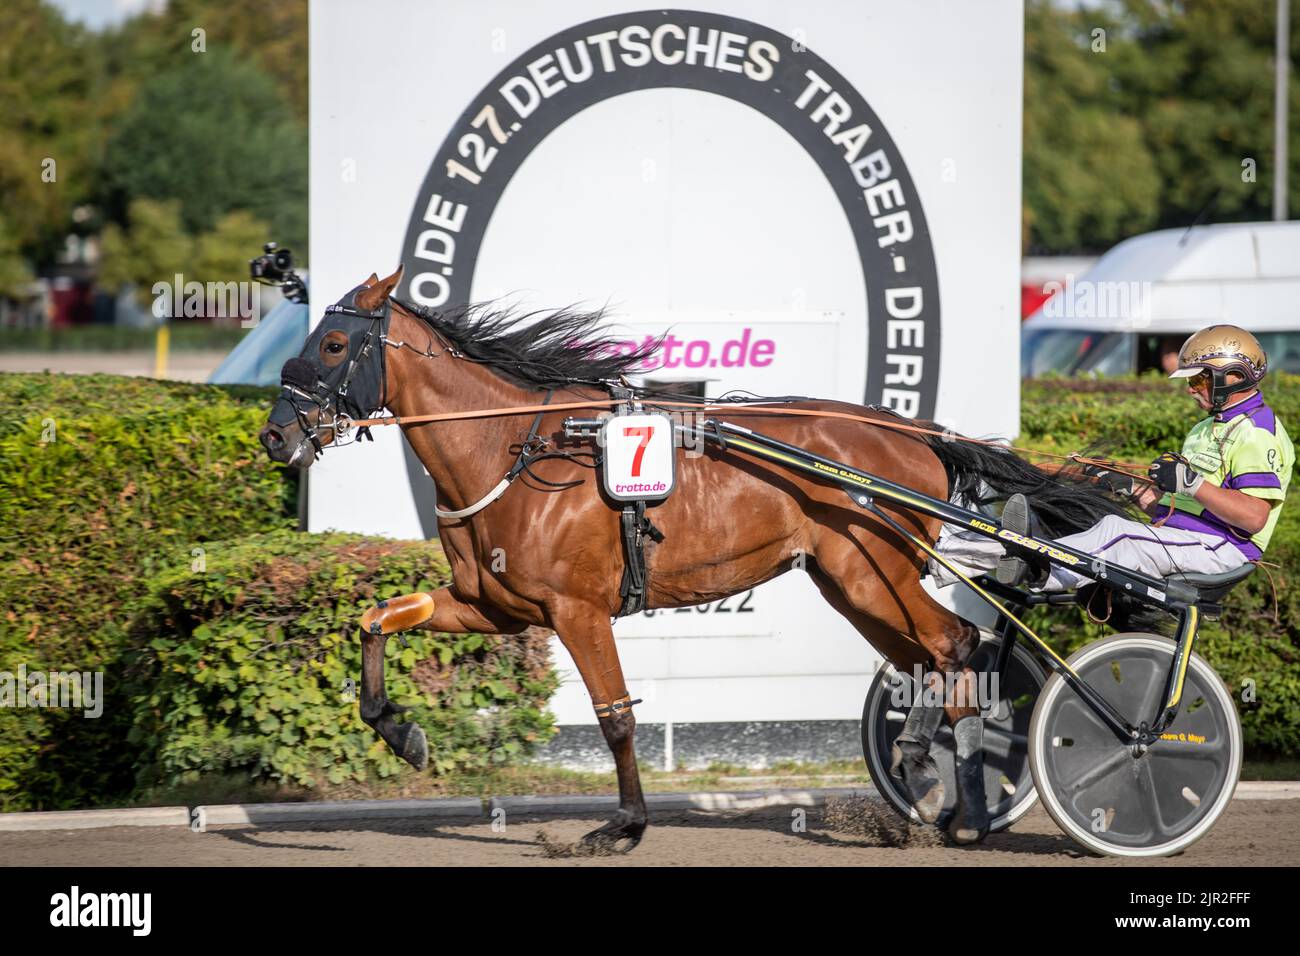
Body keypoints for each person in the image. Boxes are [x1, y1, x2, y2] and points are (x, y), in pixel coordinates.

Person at [929, 324, 1294, 591]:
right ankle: (962, 555)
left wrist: (1193, 483)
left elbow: (1253, 516)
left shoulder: (1256, 432)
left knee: (1116, 534)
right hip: (1188, 539)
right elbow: (1172, 508)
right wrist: (1125, 487)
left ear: (1232, 376)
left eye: (1197, 381)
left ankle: (1024, 567)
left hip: (1225, 550)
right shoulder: (1204, 429)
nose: (1190, 390)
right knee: (1075, 522)